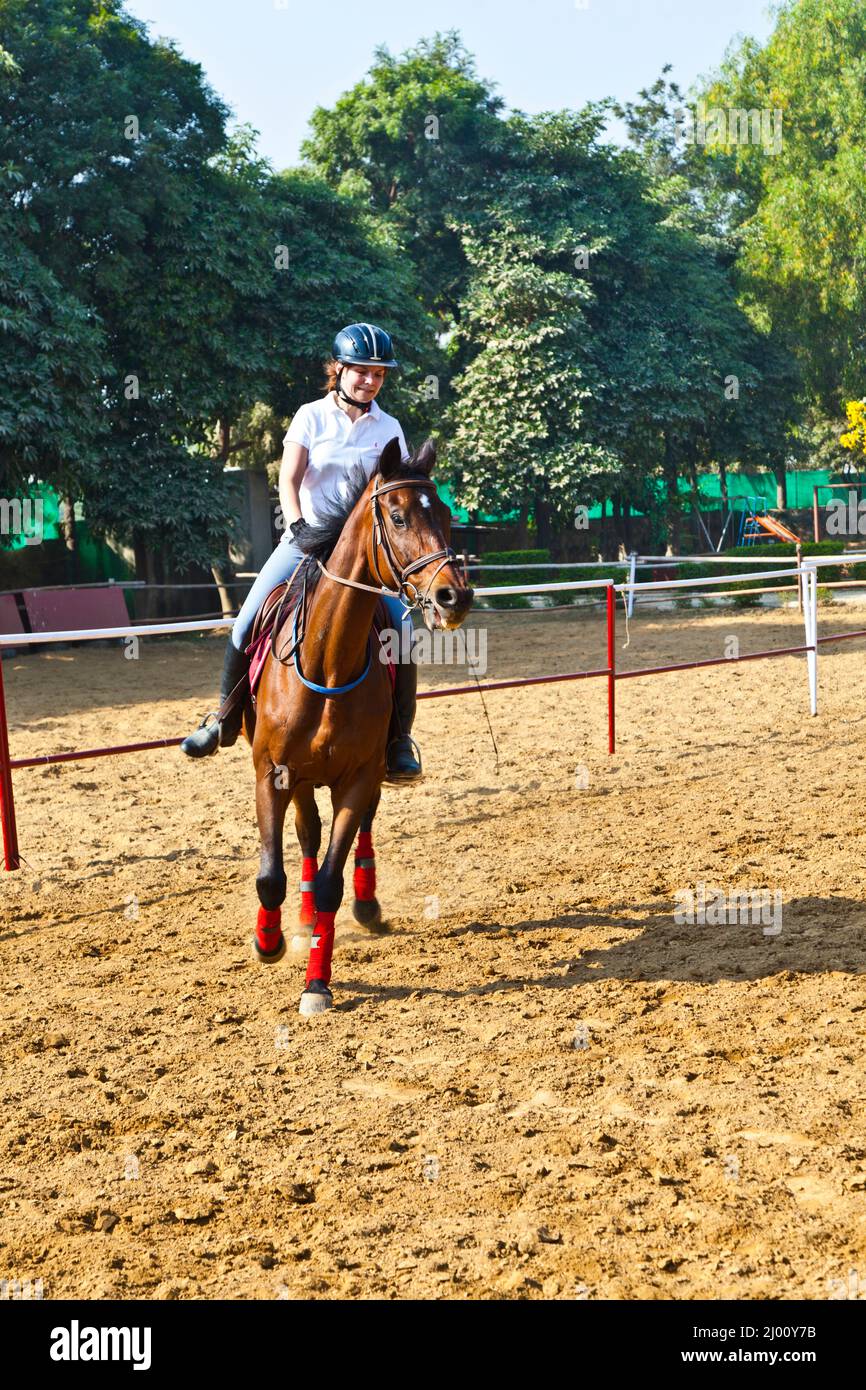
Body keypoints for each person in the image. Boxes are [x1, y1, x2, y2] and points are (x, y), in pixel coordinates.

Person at [180, 323, 422, 781]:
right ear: (339, 369)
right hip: (305, 542)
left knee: (403, 631)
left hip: (364, 557)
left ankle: (398, 740)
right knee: (248, 617)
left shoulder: (389, 427)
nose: (370, 381)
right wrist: (298, 527)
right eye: (362, 372)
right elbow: (288, 480)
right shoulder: (310, 416)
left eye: (379, 374)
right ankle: (224, 719)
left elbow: (397, 491)